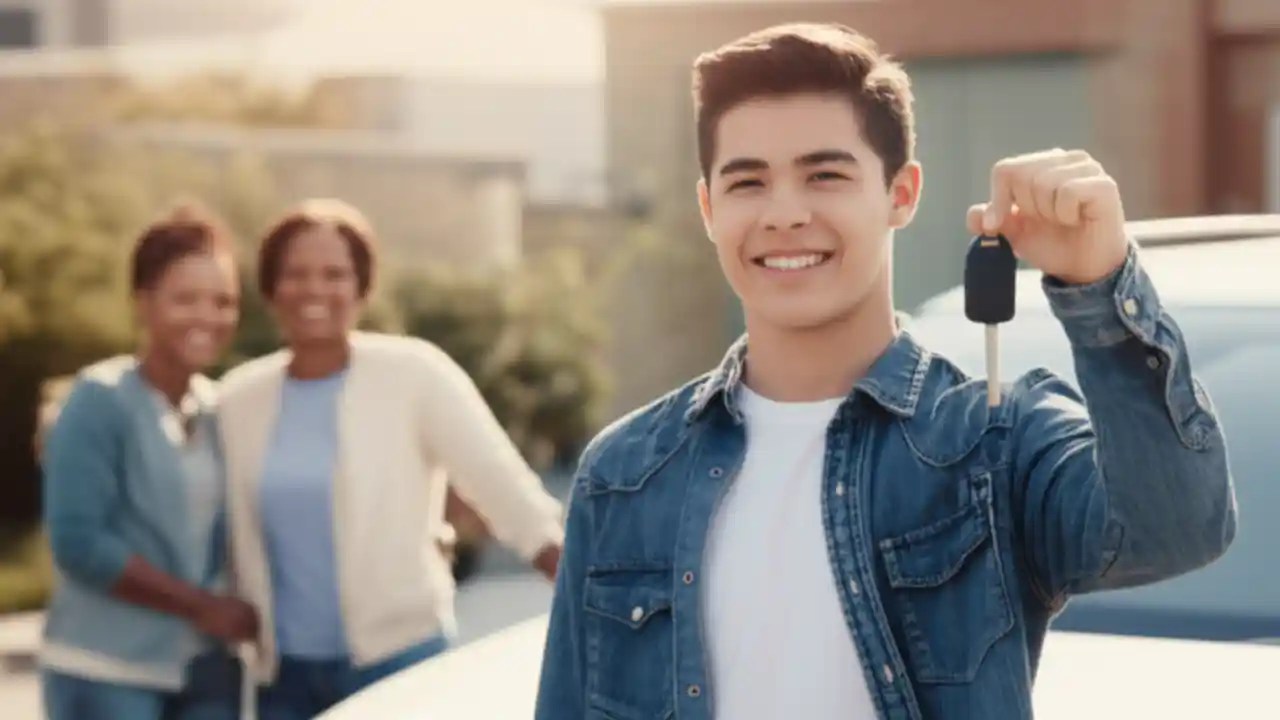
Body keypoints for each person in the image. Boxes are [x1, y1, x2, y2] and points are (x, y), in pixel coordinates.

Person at [535, 22, 1237, 720]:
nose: (784, 214)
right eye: (748, 182)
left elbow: (1178, 527)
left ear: (901, 194)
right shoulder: (625, 472)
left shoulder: (993, 442)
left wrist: (1100, 285)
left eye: (825, 175)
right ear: (709, 208)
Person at [217, 198, 565, 719]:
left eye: (335, 274)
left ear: (362, 287)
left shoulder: (414, 374)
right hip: (282, 678)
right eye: (297, 274)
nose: (316, 289)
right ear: (270, 288)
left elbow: (504, 490)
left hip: (400, 658)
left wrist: (583, 589)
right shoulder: (237, 399)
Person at [40, 203, 257, 720]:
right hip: (105, 673)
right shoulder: (100, 398)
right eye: (185, 299)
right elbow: (79, 545)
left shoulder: (217, 407)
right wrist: (202, 608)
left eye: (223, 302)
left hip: (206, 671)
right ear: (143, 303)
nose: (208, 317)